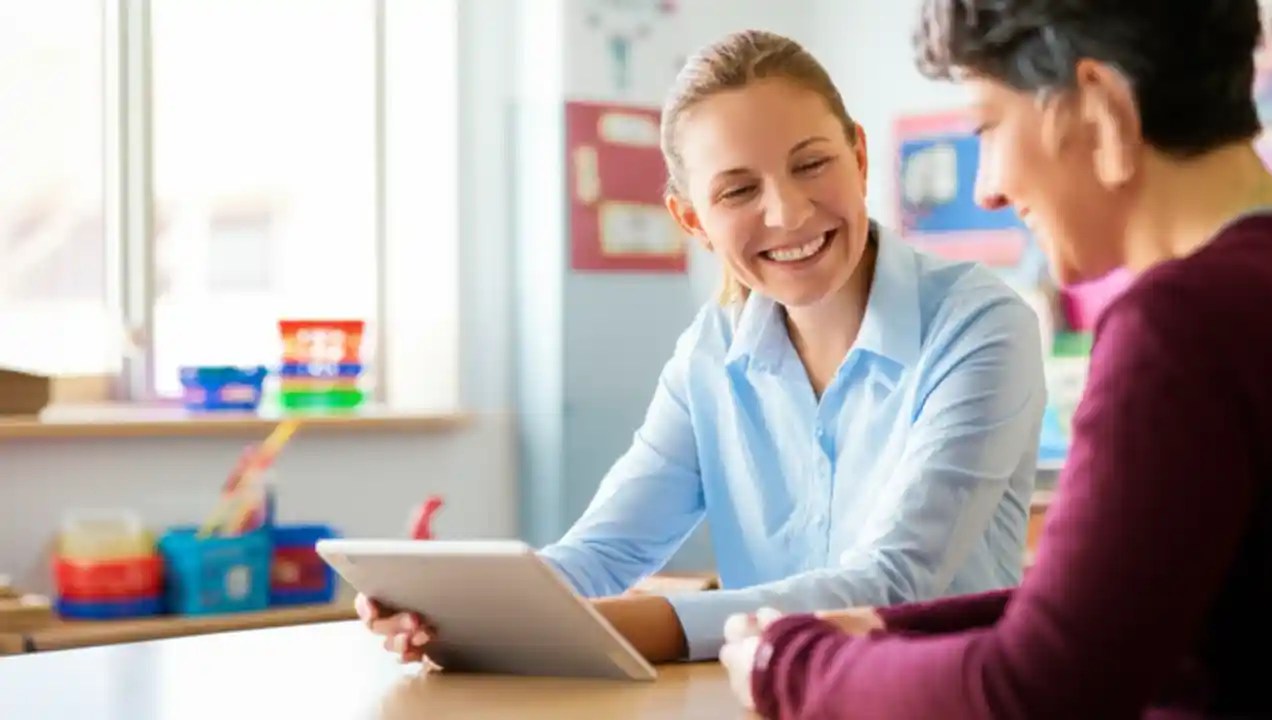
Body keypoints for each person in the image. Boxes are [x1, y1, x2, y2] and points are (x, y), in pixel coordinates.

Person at [357, 28, 1046, 666]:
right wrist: (462, 609)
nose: (788, 212)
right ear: (692, 219)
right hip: (777, 698)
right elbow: (605, 550)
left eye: (811, 164)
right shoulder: (710, 356)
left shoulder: (980, 323)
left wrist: (642, 626)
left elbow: (895, 584)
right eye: (739, 189)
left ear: (859, 157)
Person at [721, 2, 1272, 718]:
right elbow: (1112, 613)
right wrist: (892, 629)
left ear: (1102, 108)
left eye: (987, 126)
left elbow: (1037, 688)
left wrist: (786, 666)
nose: (987, 187)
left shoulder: (1180, 327)